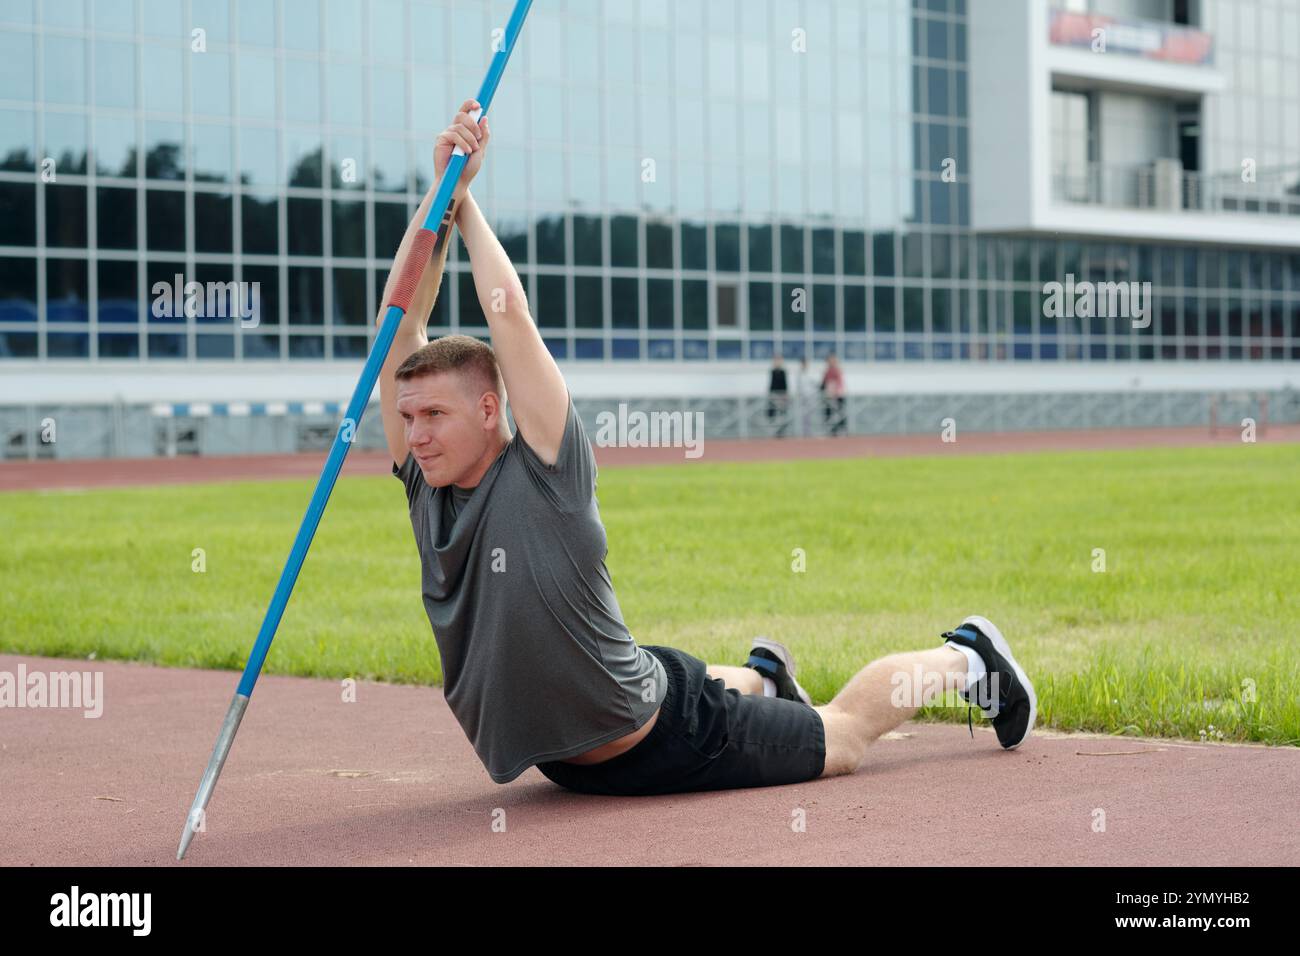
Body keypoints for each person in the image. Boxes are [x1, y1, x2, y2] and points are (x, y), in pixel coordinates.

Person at [378, 101, 1038, 797]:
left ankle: (968, 657)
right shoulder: (427, 487)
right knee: (650, 666)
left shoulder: (546, 467)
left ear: (490, 410)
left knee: (840, 735)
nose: (414, 434)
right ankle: (763, 673)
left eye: (433, 415)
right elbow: (403, 320)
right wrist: (440, 191)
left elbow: (509, 310)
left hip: (669, 734)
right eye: (408, 415)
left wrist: (469, 201)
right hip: (574, 750)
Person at [821, 351, 847, 437]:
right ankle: (831, 430)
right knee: (829, 413)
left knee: (840, 413)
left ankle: (842, 430)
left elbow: (840, 383)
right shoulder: (827, 371)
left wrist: (837, 391)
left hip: (838, 395)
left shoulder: (838, 370)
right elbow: (823, 384)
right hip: (829, 396)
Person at [794, 356, 819, 436]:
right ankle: (805, 432)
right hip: (803, 397)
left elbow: (816, 384)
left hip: (812, 397)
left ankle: (813, 432)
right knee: (804, 416)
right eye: (803, 363)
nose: (804, 365)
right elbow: (798, 386)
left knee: (812, 416)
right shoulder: (799, 374)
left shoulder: (812, 372)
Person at [766, 355, 789, 437]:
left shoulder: (783, 372)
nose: (777, 362)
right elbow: (771, 385)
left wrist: (784, 396)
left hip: (781, 396)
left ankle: (781, 432)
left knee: (782, 415)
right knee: (772, 414)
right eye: (776, 361)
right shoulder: (772, 371)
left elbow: (785, 385)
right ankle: (773, 432)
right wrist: (771, 395)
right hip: (774, 396)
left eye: (779, 361)